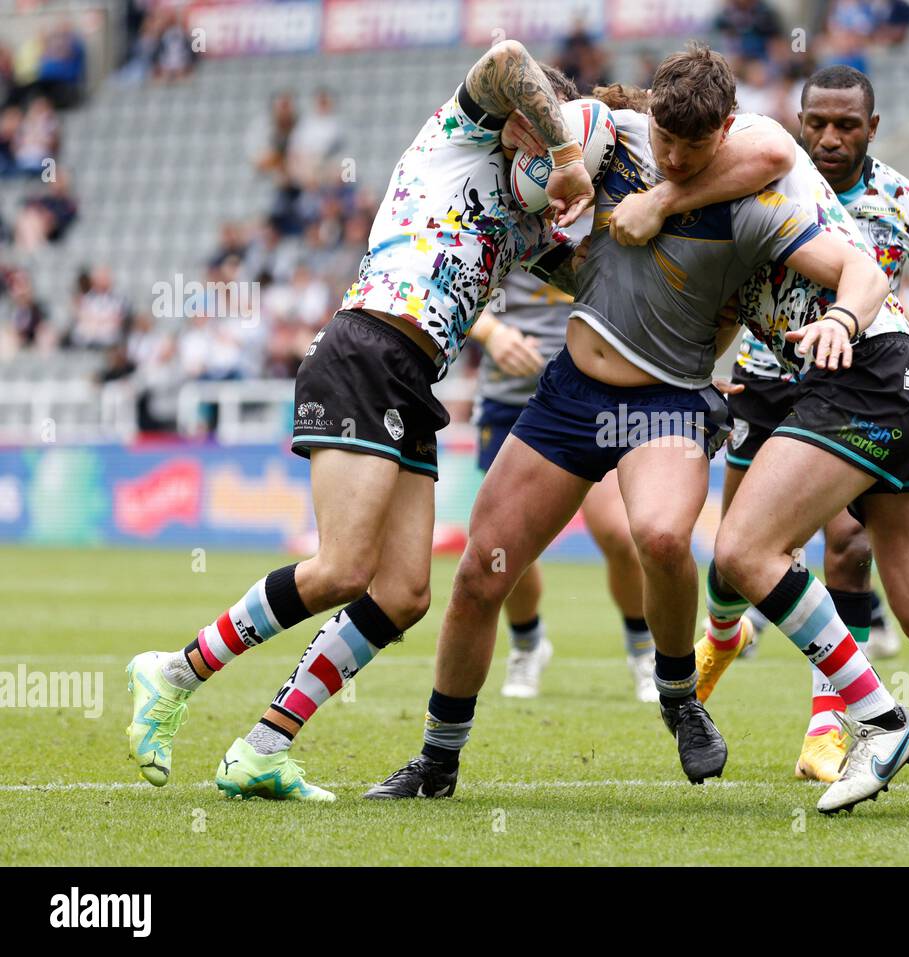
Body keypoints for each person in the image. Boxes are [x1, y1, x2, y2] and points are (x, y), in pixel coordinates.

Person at [363, 43, 893, 800]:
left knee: (665, 537)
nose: (673, 157)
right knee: (484, 570)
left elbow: (783, 152)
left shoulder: (754, 188)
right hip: (572, 393)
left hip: (671, 401)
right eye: (665, 141)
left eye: (692, 145)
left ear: (725, 129)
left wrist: (839, 311)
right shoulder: (610, 135)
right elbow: (542, 119)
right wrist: (558, 161)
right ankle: (437, 759)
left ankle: (678, 697)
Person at [125, 40, 596, 801]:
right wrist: (571, 151)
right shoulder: (460, 135)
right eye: (535, 128)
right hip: (366, 348)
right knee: (342, 569)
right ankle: (172, 671)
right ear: (519, 121)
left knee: (405, 592)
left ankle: (263, 745)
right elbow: (508, 55)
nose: (536, 146)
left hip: (412, 380)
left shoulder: (525, 217)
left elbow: (598, 281)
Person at [680, 65, 909, 783]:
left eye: (846, 125)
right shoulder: (763, 185)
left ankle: (828, 726)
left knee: (847, 548)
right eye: (815, 121)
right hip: (768, 376)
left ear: (872, 129)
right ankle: (723, 633)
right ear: (797, 120)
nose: (828, 136)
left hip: (860, 389)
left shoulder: (907, 204)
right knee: (738, 554)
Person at [469, 268, 656, 702]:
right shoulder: (502, 209)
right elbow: (449, 288)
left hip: (593, 393)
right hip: (510, 396)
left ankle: (643, 650)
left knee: (619, 533)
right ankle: (528, 643)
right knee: (503, 548)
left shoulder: (615, 207)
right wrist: (493, 333)